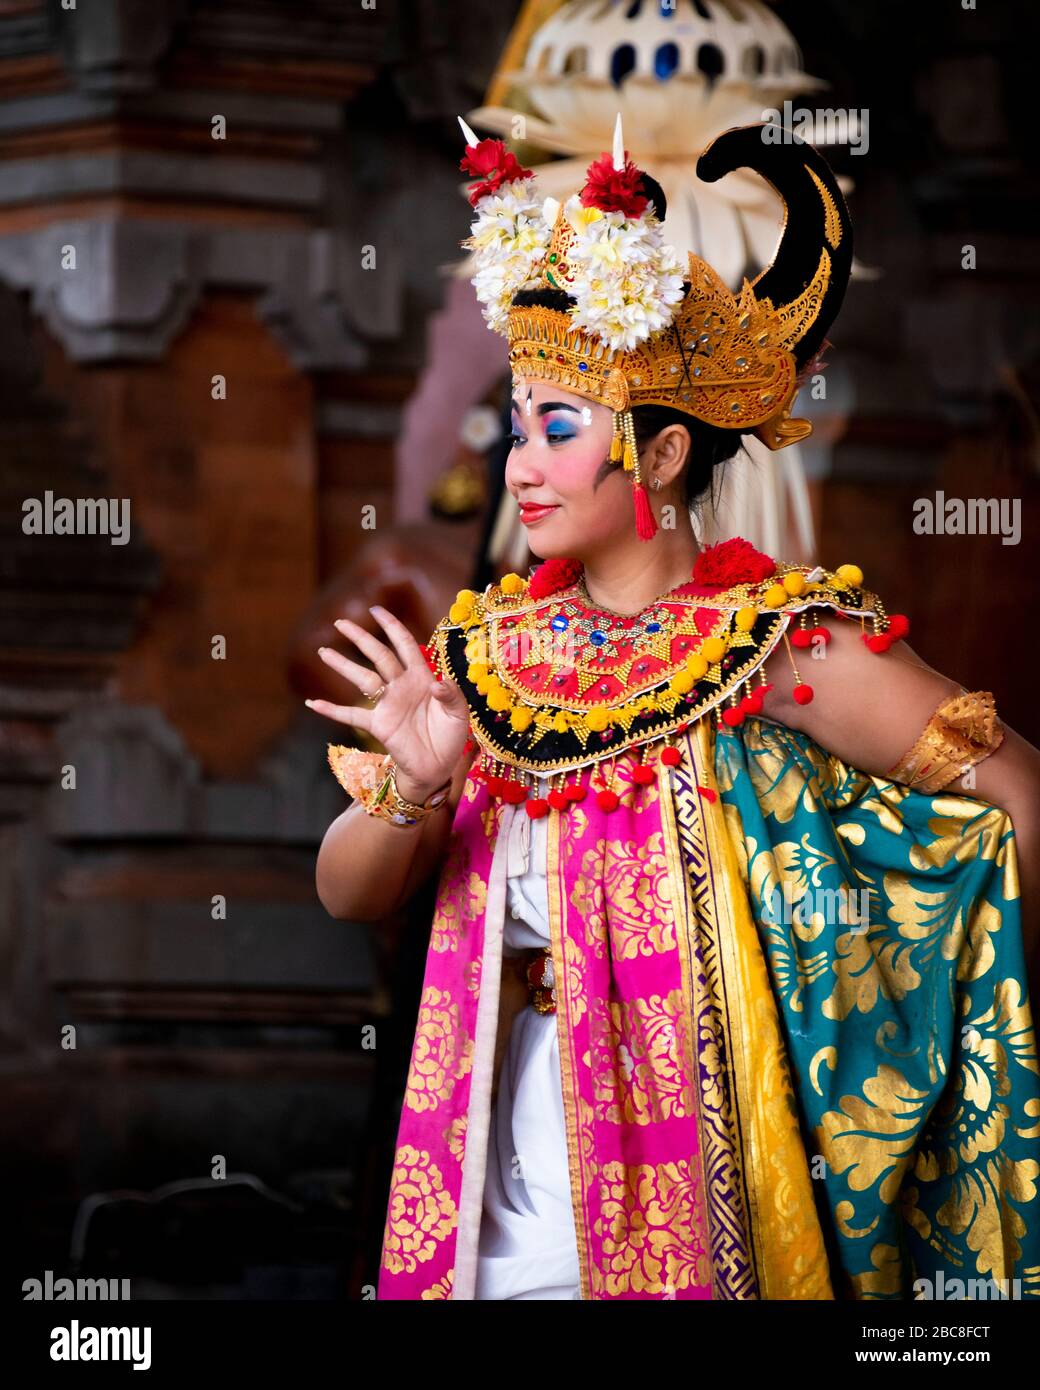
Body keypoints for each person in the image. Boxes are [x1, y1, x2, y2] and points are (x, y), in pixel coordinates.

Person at [310, 120, 1040, 1301]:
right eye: (516, 423)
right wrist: (416, 780)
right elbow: (350, 893)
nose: (517, 465)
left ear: (654, 458)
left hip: (683, 1145)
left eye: (559, 428)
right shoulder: (485, 657)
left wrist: (985, 1035)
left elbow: (1015, 791)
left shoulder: (770, 648)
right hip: (484, 1133)